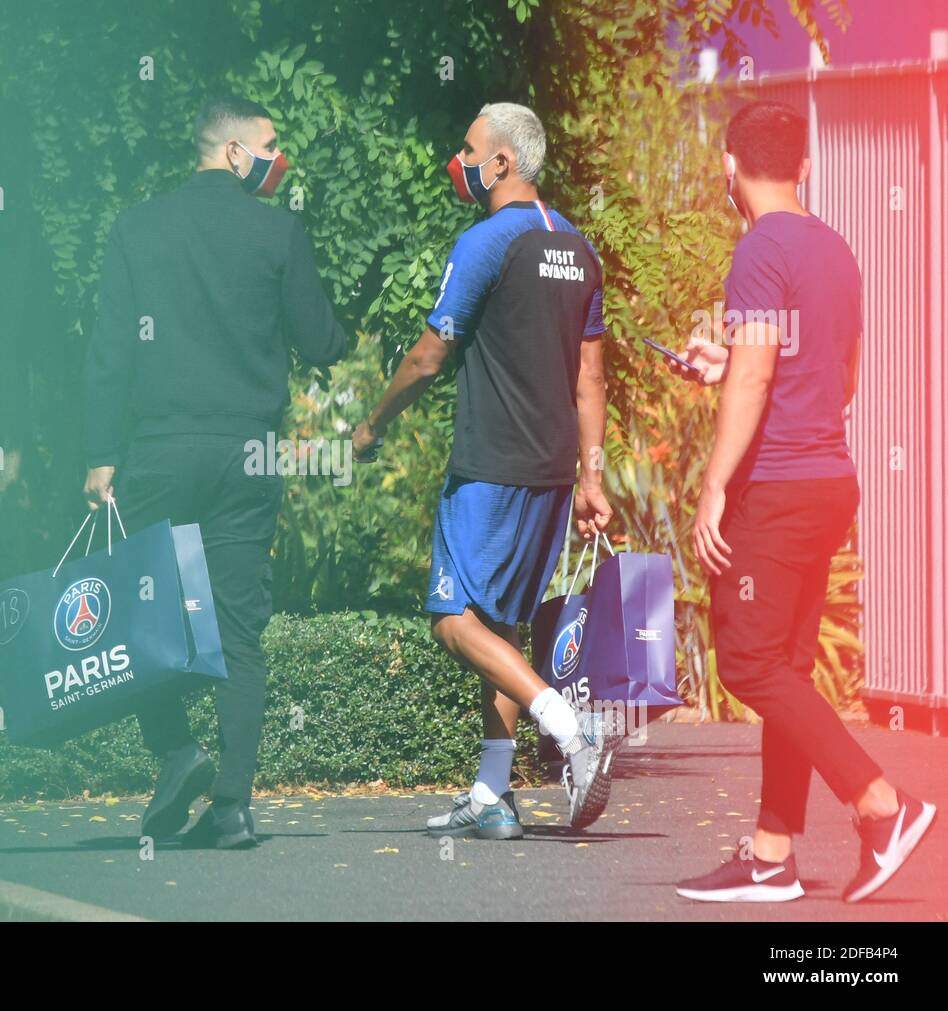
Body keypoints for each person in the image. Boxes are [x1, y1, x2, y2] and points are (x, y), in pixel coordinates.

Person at [671, 100, 936, 902]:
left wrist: (714, 483)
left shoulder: (758, 250)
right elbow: (831, 374)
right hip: (829, 480)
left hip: (778, 488)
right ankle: (772, 853)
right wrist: (729, 363)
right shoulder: (835, 249)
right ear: (806, 166)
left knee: (749, 659)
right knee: (785, 664)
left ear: (728, 166)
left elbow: (758, 374)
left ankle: (881, 805)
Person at [80, 96, 348, 849]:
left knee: (137, 615)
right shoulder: (278, 231)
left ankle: (175, 749)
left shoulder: (136, 230)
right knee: (238, 629)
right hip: (246, 454)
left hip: (159, 452)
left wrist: (100, 455)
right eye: (270, 146)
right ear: (234, 153)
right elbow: (321, 340)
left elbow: (108, 352)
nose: (277, 159)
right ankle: (231, 805)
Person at [351, 102, 618, 835]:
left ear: (501, 163)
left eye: (468, 149)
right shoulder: (579, 247)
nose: (459, 161)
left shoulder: (486, 243)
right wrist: (591, 476)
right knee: (501, 623)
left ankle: (570, 731)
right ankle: (493, 795)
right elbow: (591, 380)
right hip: (551, 471)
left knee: (451, 617)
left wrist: (373, 422)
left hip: (490, 464)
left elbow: (429, 355)